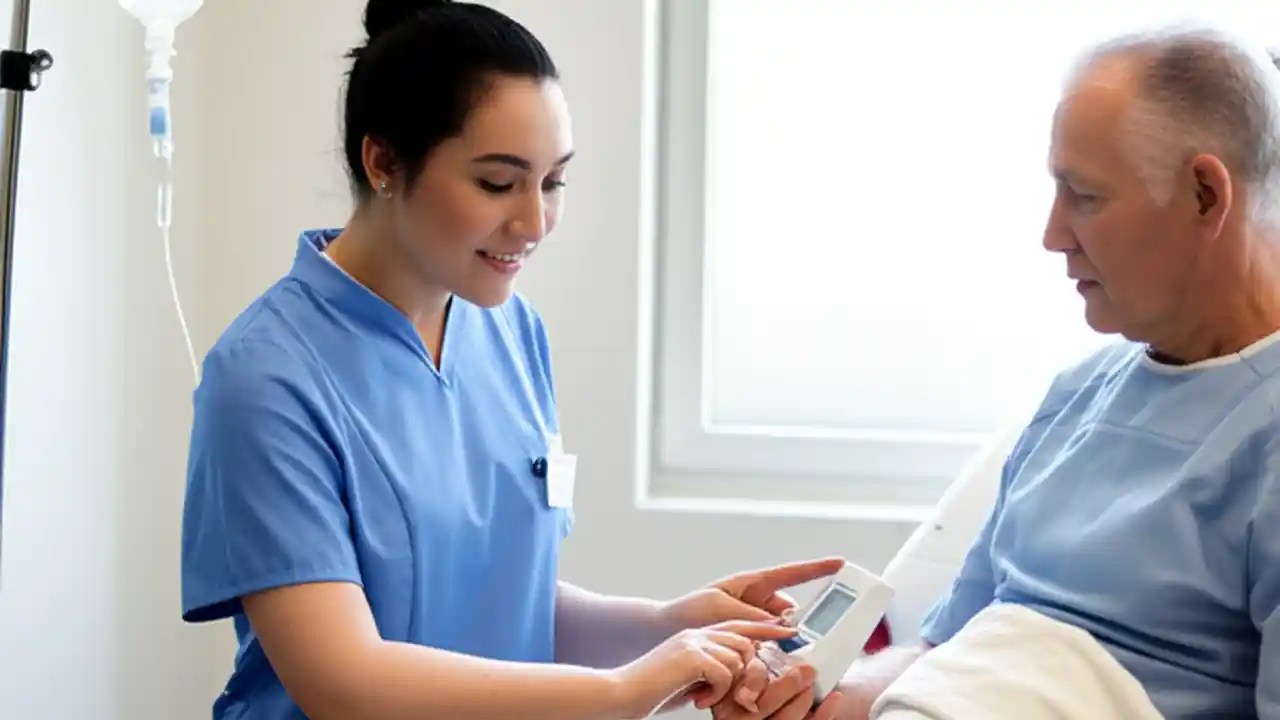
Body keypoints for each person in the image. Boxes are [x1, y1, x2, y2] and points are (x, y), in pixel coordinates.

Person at [179, 1, 845, 718]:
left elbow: (504, 604)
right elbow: (345, 681)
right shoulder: (266, 379)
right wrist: (623, 691)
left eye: (552, 182)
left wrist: (671, 627)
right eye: (498, 183)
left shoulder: (509, 331)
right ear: (383, 162)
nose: (533, 223)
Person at [713, 25, 1280, 720]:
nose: (1053, 234)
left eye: (1087, 197)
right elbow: (948, 650)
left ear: (1204, 195)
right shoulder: (1078, 399)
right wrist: (814, 692)